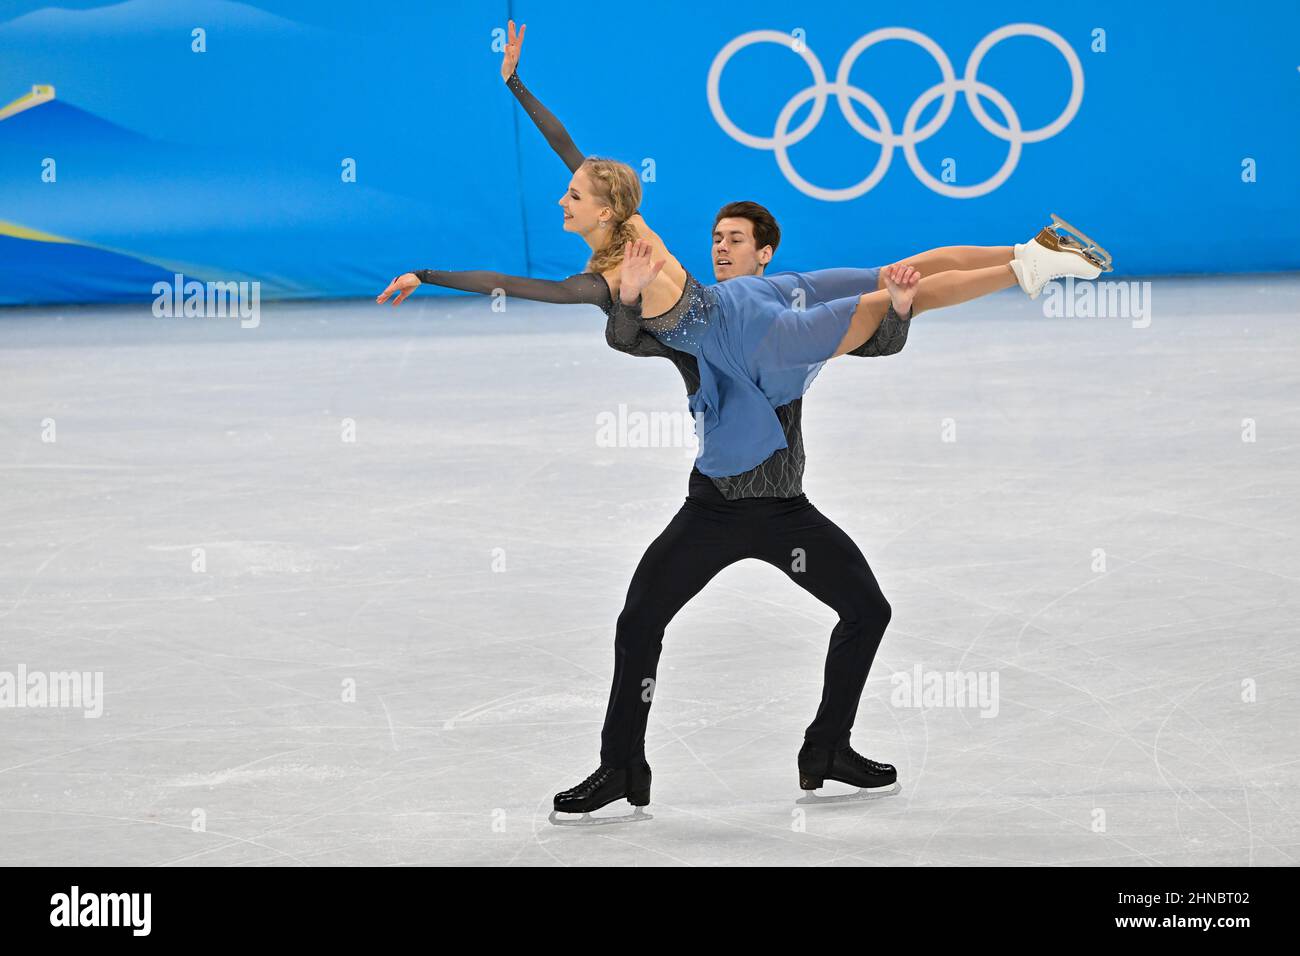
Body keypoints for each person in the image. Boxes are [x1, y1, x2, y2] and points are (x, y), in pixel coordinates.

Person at [375, 21, 1113, 814]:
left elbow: (564, 174)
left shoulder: (632, 246)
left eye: (576, 197)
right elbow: (544, 270)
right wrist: (503, 114)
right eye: (571, 193)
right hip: (720, 499)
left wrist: (438, 253)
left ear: (607, 207)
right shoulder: (608, 270)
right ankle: (627, 766)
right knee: (640, 620)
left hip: (754, 339)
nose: (565, 198)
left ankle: (1032, 261)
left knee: (890, 293)